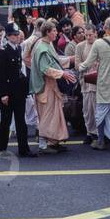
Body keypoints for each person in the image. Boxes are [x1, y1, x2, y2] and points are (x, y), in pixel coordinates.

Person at [77, 17, 110, 149]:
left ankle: (101, 141)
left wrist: (79, 68)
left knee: (100, 114)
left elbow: (88, 63)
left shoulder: (99, 43)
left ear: (104, 28)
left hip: (103, 83)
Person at [29, 19, 72, 154]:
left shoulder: (47, 44)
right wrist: (62, 74)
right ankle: (43, 144)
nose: (56, 33)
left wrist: (70, 60)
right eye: (54, 31)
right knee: (47, 116)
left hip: (51, 85)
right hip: (45, 87)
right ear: (47, 32)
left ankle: (53, 141)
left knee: (55, 114)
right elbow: (45, 69)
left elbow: (56, 61)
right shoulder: (42, 47)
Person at [0, 22, 35, 156]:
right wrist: (3, 94)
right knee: (5, 121)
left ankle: (24, 149)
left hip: (18, 90)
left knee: (20, 121)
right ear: (8, 36)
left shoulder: (18, 49)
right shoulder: (3, 52)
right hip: (8, 91)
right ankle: (1, 146)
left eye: (17, 34)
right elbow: (0, 75)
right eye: (13, 35)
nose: (16, 37)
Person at [75, 25, 98, 145]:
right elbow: (77, 65)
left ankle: (98, 133)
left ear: (95, 33)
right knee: (87, 110)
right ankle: (89, 132)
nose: (88, 37)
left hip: (99, 81)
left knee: (97, 109)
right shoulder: (80, 46)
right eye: (86, 34)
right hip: (85, 81)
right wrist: (88, 66)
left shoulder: (100, 44)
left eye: (90, 34)